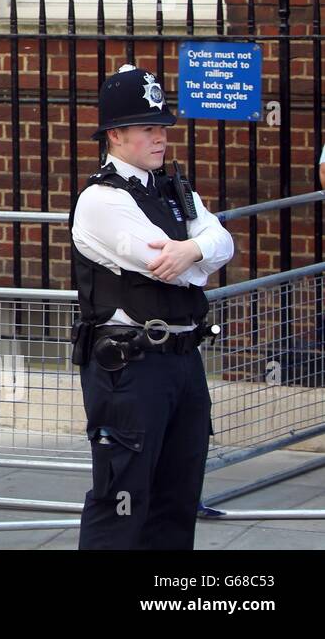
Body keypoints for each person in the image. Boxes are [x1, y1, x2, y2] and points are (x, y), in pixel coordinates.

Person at [69, 64, 235, 550]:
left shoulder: (172, 188)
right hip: (130, 368)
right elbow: (171, 267)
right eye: (148, 128)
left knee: (177, 503)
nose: (160, 138)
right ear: (115, 134)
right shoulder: (101, 199)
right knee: (121, 502)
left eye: (162, 127)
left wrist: (196, 249)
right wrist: (196, 252)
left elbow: (222, 242)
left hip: (182, 361)